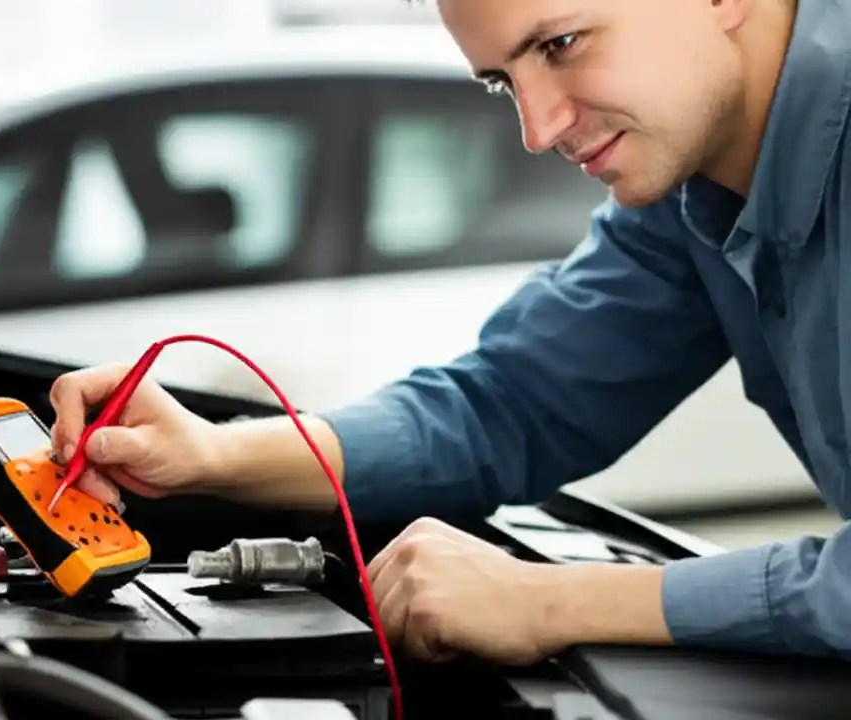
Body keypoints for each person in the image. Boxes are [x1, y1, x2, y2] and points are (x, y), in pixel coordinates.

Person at [48, 0, 851, 666]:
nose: (539, 129)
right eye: (505, 82)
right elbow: (513, 403)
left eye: (561, 44)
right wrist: (211, 454)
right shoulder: (689, 190)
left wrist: (552, 600)